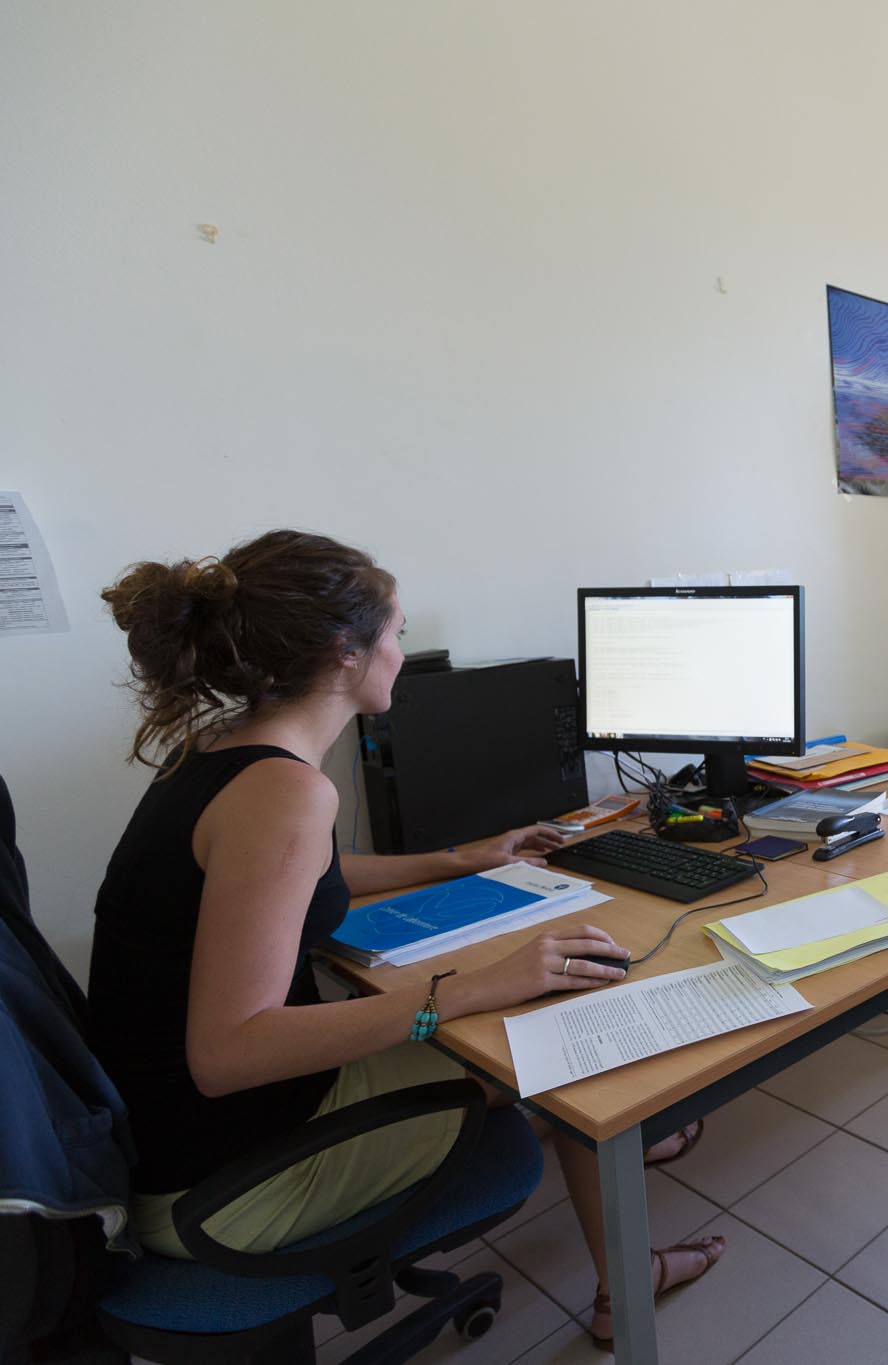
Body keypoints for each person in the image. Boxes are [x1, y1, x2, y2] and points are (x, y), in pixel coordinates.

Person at [87, 529, 719, 1346]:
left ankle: (628, 1162)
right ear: (347, 652)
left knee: (514, 1034)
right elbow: (227, 1052)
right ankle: (626, 1283)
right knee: (554, 1037)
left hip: (178, 1140)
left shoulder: (226, 752)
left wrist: (458, 859)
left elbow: (297, 876)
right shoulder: (285, 793)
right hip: (225, 1188)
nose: (401, 648)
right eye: (395, 631)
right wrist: (467, 990)